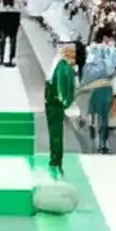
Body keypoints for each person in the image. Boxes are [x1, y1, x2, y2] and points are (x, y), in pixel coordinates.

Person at [45, 42, 77, 177]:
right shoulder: (63, 67)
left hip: (54, 105)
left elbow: (60, 87)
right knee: (56, 134)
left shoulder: (62, 67)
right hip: (54, 104)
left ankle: (55, 162)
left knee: (55, 134)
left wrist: (64, 102)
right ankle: (55, 161)